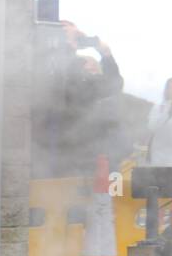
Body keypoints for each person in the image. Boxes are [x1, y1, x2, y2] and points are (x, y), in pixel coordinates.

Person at [32, 21, 127, 177]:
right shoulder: (40, 60)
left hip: (78, 151)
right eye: (66, 34)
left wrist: (105, 53)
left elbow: (112, 85)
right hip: (45, 150)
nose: (73, 40)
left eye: (75, 36)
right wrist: (67, 44)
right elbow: (53, 76)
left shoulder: (79, 66)